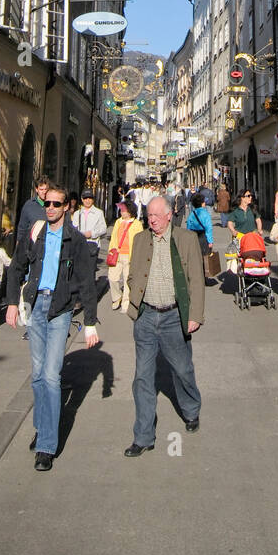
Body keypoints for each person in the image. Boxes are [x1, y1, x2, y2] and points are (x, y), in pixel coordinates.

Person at [5, 187, 100, 471]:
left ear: (66, 207)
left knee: (50, 376)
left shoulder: (76, 240)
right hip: (35, 306)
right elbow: (16, 267)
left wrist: (90, 322)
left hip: (60, 309)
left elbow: (87, 282)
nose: (50, 208)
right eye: (47, 203)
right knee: (37, 375)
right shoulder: (36, 233)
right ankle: (43, 426)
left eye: (56, 204)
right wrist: (12, 303)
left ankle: (46, 446)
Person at [123, 195, 204, 456]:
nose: (152, 220)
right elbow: (133, 272)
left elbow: (196, 280)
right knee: (142, 377)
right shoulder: (140, 239)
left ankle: (191, 410)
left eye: (157, 215)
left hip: (173, 316)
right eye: (149, 215)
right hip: (146, 316)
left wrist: (194, 315)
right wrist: (135, 296)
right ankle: (143, 436)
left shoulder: (186, 239)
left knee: (182, 369)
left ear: (169, 215)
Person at [108, 196, 143, 311]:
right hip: (117, 254)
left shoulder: (137, 224)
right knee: (112, 278)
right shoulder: (118, 222)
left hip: (129, 255)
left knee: (127, 279)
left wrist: (137, 256)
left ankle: (126, 301)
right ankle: (116, 297)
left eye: (123, 210)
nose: (121, 212)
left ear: (130, 211)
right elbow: (113, 237)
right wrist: (111, 250)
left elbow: (139, 241)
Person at [76, 187, 107, 274]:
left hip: (93, 246)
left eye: (90, 198)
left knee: (90, 272)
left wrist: (92, 233)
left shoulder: (99, 213)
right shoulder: (77, 213)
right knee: (79, 272)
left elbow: (103, 229)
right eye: (85, 198)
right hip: (79, 246)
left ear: (93, 199)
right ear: (82, 199)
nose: (87, 200)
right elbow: (74, 229)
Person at [14, 177, 50, 250]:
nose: (44, 192)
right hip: (31, 247)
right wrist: (18, 248)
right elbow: (22, 228)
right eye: (41, 189)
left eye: (46, 189)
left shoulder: (54, 206)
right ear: (36, 189)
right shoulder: (29, 205)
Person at [186, 190, 214, 255]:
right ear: (202, 203)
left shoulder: (192, 214)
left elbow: (188, 227)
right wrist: (210, 241)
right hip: (203, 237)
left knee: (195, 255)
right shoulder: (205, 214)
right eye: (204, 201)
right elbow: (209, 228)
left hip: (193, 237)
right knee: (204, 256)